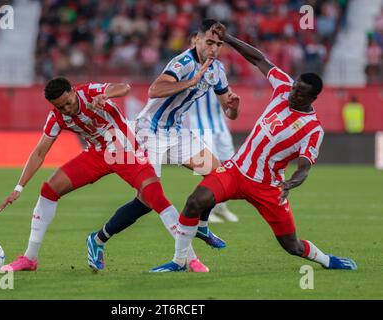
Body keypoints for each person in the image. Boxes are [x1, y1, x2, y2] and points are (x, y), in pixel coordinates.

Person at [151, 29, 357, 272]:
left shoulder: (313, 130)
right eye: (294, 88)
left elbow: (304, 167)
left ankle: (327, 260)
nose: (293, 93)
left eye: (300, 93)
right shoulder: (283, 86)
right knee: (195, 202)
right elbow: (259, 59)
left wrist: (291, 183)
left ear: (313, 98)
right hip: (236, 171)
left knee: (291, 245)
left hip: (268, 187)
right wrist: (228, 39)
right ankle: (179, 262)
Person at [0, 78, 205, 272]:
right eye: (60, 106)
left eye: (68, 102)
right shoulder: (57, 117)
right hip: (96, 154)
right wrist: (18, 188)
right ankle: (29, 258)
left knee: (155, 197)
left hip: (125, 150)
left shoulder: (90, 92)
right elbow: (40, 152)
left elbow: (124, 87)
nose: (67, 109)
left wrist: (106, 96)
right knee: (49, 189)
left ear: (73, 91)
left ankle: (190, 257)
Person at [87, 19, 240, 273]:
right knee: (147, 201)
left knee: (218, 175)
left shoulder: (217, 70)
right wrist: (190, 82)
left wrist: (232, 107)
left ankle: (201, 226)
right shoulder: (184, 63)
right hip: (150, 132)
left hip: (178, 132)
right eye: (209, 42)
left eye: (218, 44)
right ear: (196, 40)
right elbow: (154, 90)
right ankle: (98, 239)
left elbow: (229, 108)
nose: (213, 49)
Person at [186, 31, 239, 223]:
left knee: (227, 166)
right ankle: (204, 210)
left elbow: (224, 89)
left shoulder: (217, 66)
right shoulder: (186, 64)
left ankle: (221, 207)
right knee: (207, 169)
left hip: (220, 125)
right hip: (199, 126)